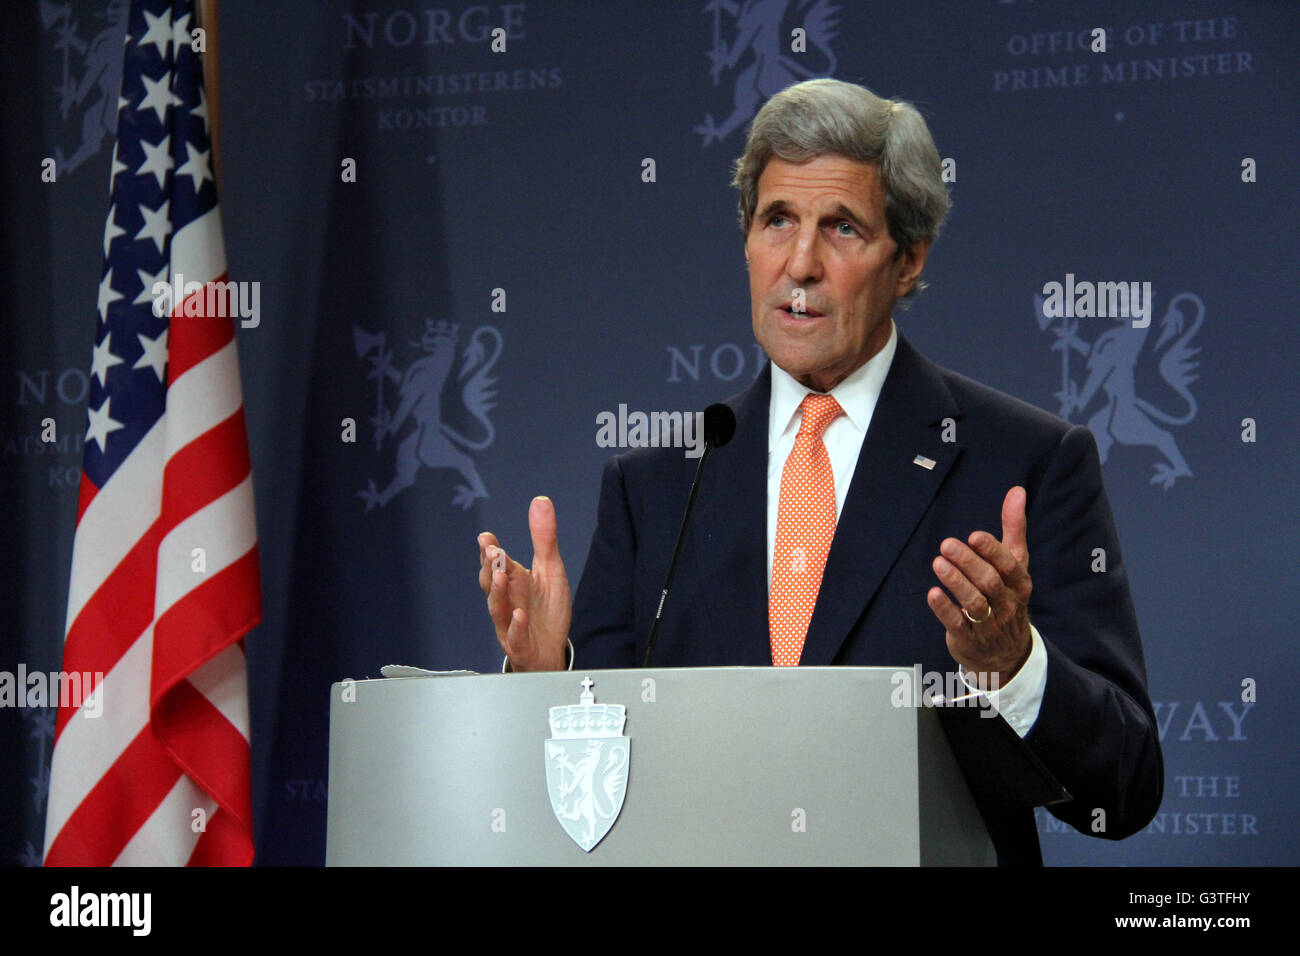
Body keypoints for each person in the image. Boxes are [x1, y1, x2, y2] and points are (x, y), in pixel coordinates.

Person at [476, 78, 1162, 864]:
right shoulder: (657, 485)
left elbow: (1127, 788)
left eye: (841, 227)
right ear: (745, 241)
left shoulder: (1026, 464)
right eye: (777, 221)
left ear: (908, 260)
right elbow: (591, 804)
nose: (800, 264)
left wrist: (1014, 665)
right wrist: (550, 681)